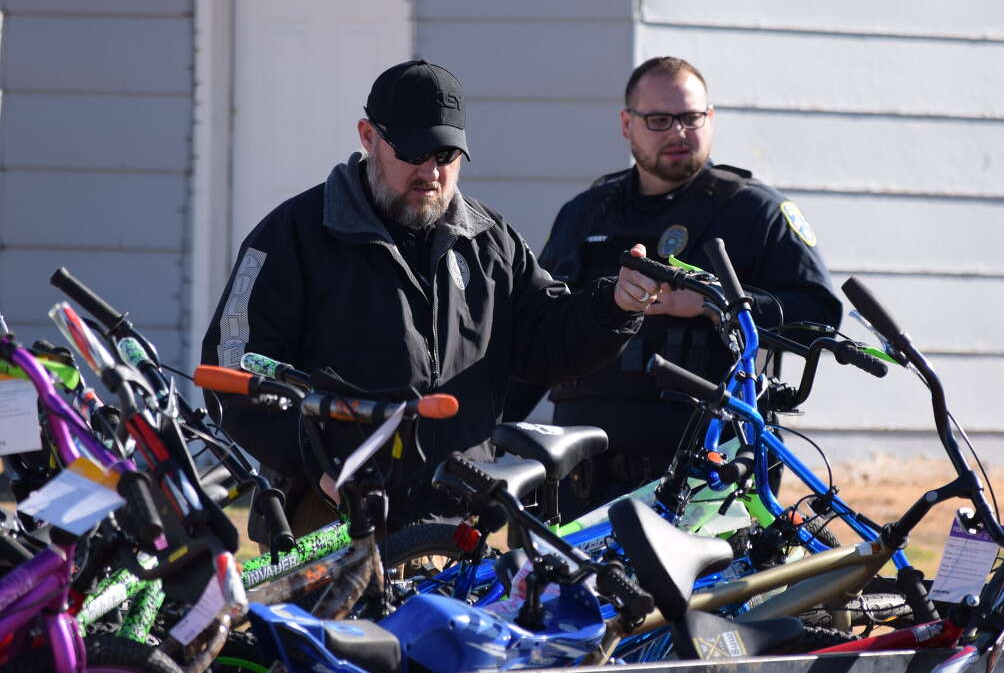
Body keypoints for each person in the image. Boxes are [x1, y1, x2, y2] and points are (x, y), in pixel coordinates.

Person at [200, 60, 662, 531]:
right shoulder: (291, 235)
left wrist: (615, 306)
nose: (431, 171)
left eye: (445, 154)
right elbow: (230, 367)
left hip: (456, 525)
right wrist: (320, 468)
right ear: (368, 137)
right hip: (331, 517)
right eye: (413, 151)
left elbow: (547, 341)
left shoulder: (490, 240)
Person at [504, 56, 842, 519]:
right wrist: (483, 432)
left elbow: (819, 317)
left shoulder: (754, 213)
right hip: (581, 483)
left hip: (705, 483)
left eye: (691, 118)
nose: (678, 133)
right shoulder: (585, 214)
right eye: (659, 120)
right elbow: (541, 335)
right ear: (627, 124)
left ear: (711, 119)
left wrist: (713, 304)